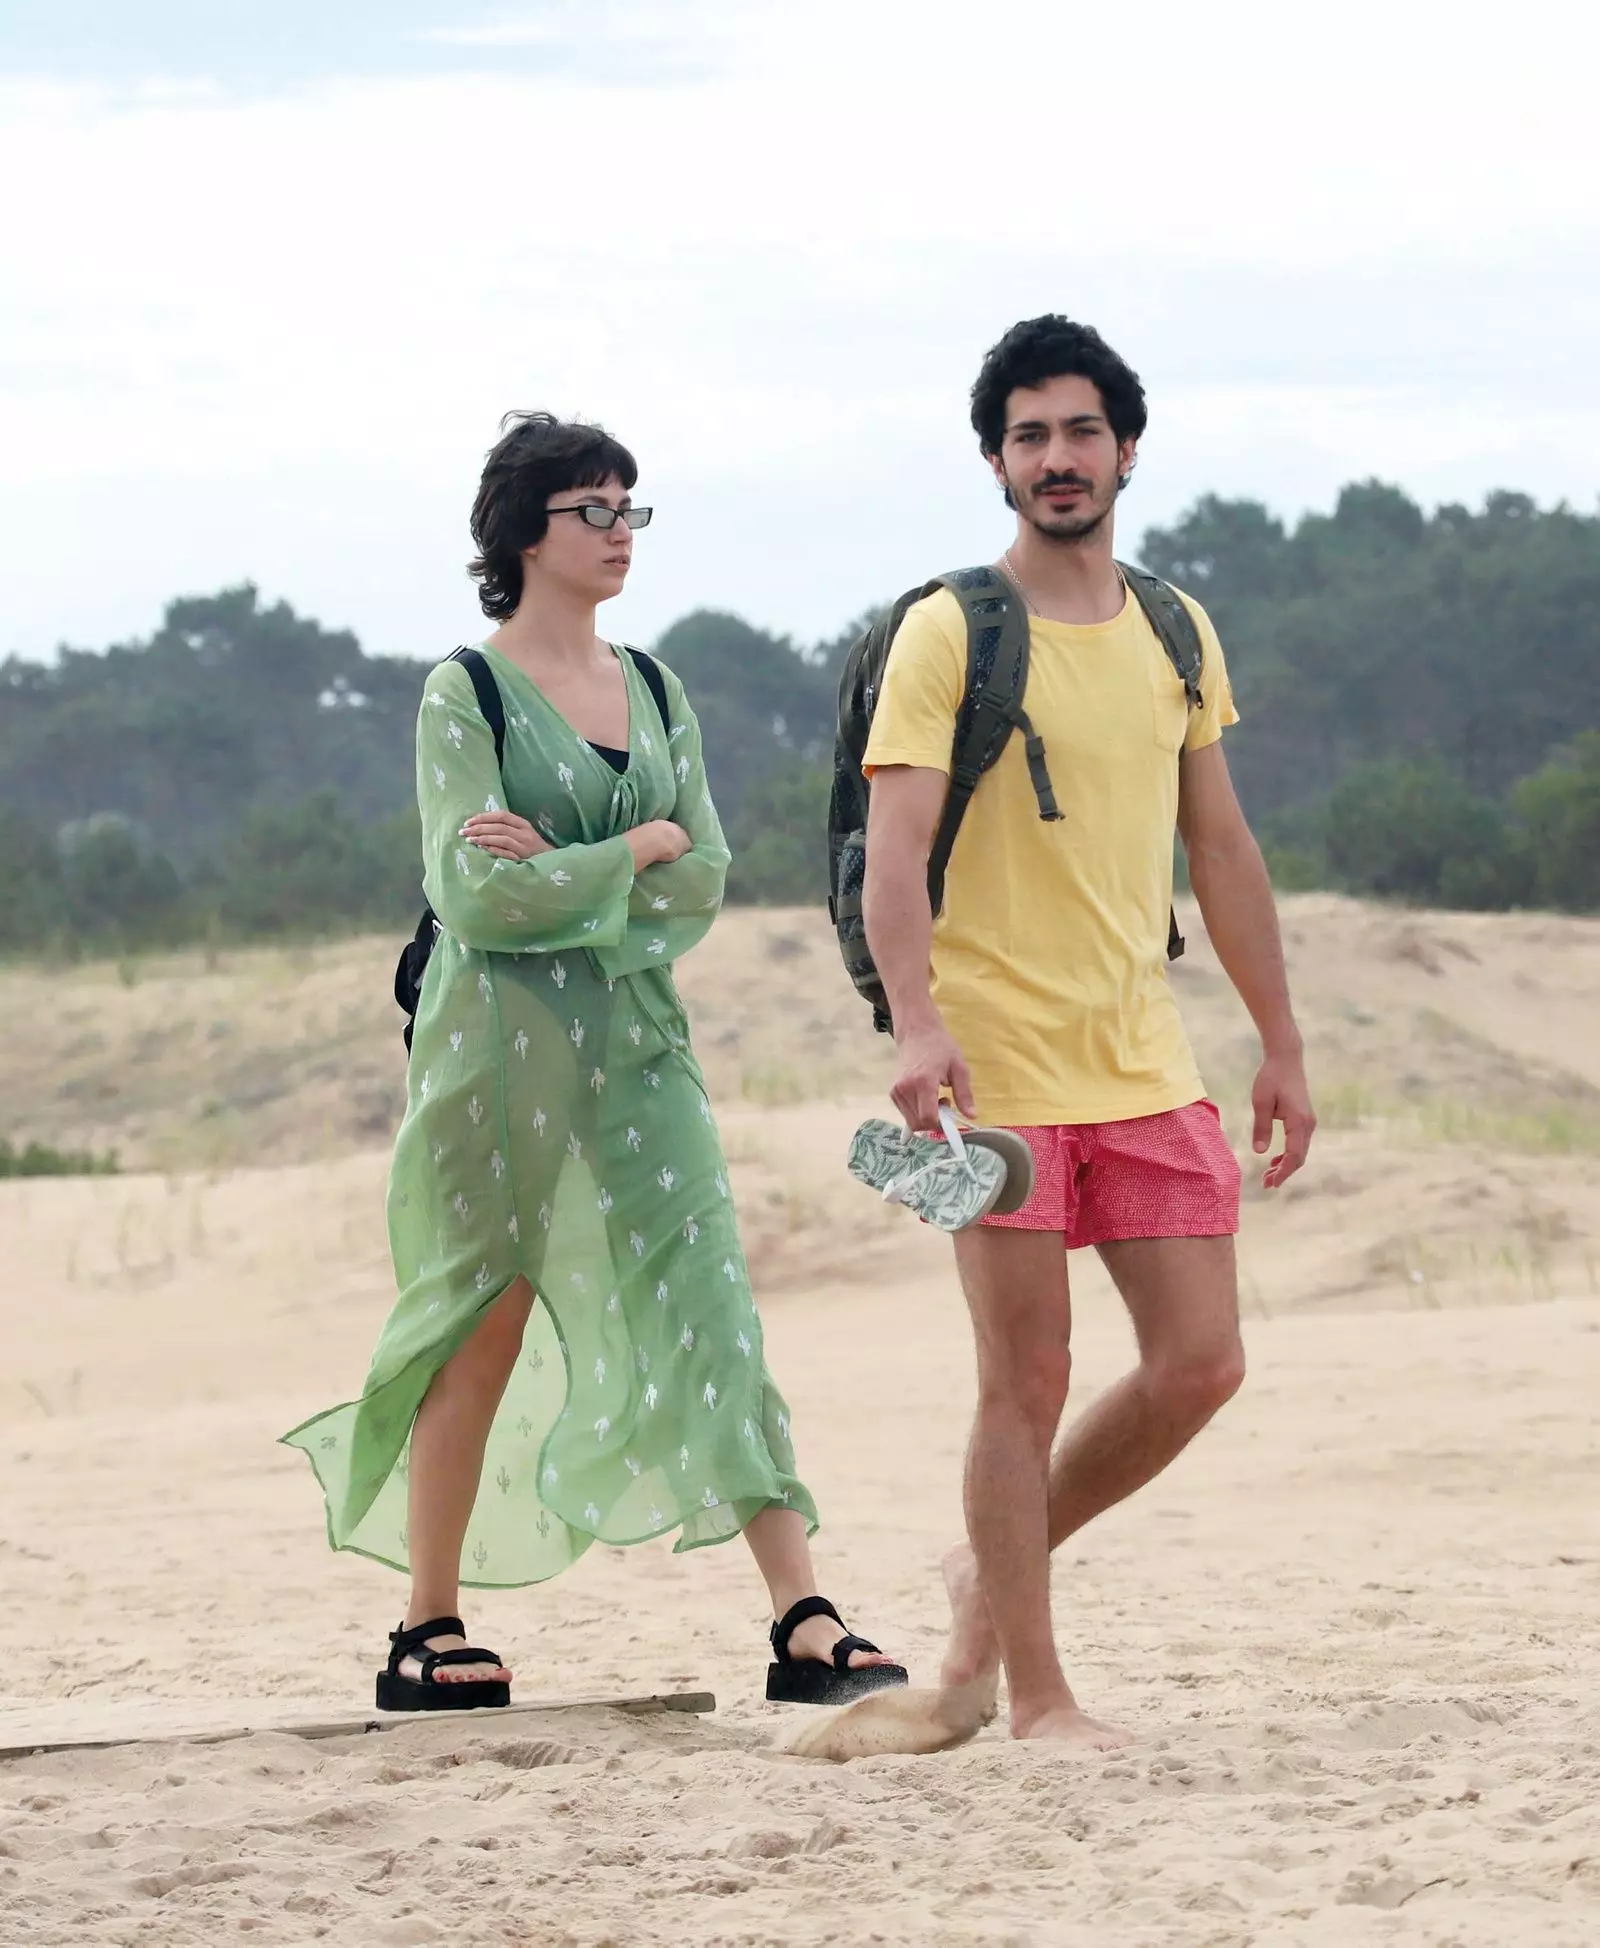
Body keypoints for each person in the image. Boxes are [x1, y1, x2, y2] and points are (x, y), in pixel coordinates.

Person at [283, 412, 904, 1711]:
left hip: (640, 1044)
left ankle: (801, 1611)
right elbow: (476, 897)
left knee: (708, 1292)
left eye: (633, 509)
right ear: (524, 531)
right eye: (595, 510)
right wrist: (631, 853)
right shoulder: (467, 693)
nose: (622, 532)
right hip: (497, 1049)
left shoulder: (660, 687)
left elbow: (713, 880)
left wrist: (573, 872)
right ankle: (425, 1626)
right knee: (483, 1307)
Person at [860, 317, 1315, 1747]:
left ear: (1126, 448)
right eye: (1028, 436)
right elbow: (894, 848)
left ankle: (985, 1574)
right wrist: (918, 1023)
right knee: (1028, 1378)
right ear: (996, 460)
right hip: (993, 1068)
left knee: (1202, 1363)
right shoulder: (946, 630)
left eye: (1079, 432)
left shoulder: (1177, 629)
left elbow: (1223, 851)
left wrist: (1280, 1042)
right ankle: (1029, 1693)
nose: (1056, 459)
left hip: (1142, 1059)